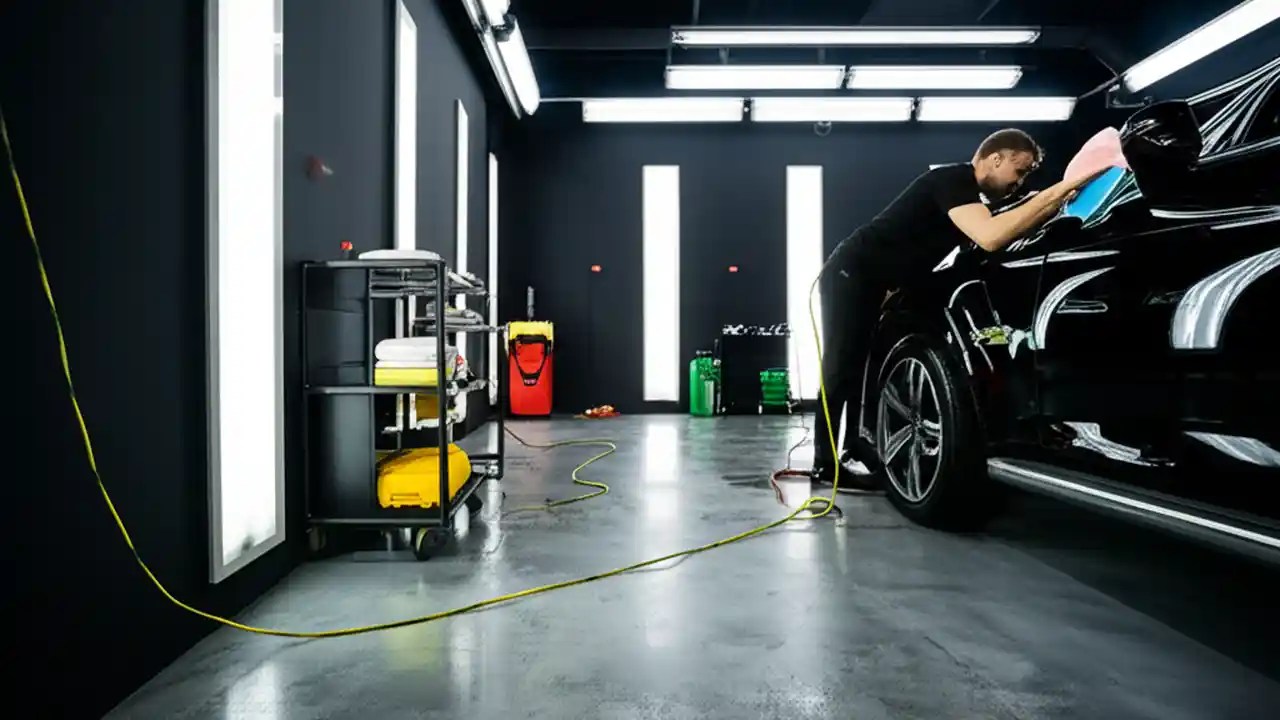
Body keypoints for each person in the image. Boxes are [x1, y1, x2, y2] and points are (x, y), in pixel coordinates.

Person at [811, 128, 1104, 491]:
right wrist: (1060, 189)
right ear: (995, 159)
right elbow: (992, 236)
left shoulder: (973, 199)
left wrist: (1052, 203)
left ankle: (857, 445)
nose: (1020, 181)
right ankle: (824, 463)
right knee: (841, 366)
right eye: (1020, 170)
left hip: (882, 282)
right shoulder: (952, 180)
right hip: (850, 272)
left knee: (866, 364)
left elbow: (996, 231)